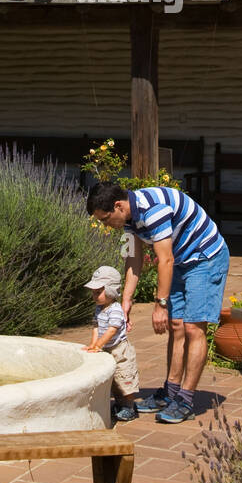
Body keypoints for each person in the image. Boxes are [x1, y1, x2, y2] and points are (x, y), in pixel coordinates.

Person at [86, 182, 230, 425]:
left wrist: (160, 304)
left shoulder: (154, 212)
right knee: (176, 326)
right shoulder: (129, 220)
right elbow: (133, 258)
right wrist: (126, 300)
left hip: (205, 259)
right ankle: (171, 392)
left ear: (118, 206)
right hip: (182, 261)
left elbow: (165, 260)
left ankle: (185, 400)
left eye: (105, 219)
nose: (105, 226)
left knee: (194, 327)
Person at [82, 264, 140, 422]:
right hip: (107, 349)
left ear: (111, 290)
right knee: (113, 381)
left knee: (124, 378)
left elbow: (111, 330)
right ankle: (121, 405)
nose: (94, 296)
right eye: (93, 292)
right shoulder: (99, 308)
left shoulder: (115, 309)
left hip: (119, 351)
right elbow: (96, 327)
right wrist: (93, 344)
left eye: (98, 292)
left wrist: (99, 345)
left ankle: (129, 406)